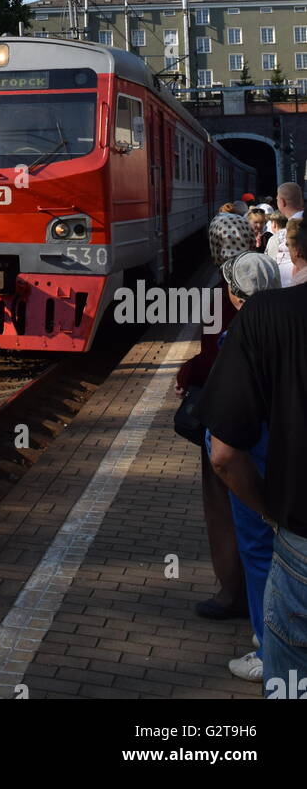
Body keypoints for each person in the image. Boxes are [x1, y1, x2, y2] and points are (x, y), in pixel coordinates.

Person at [202, 215, 307, 698]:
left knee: (290, 680)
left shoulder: (266, 319)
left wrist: (267, 507)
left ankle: (266, 650)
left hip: (299, 529)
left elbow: (225, 453)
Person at [203, 252, 281, 681]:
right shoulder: (285, 325)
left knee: (257, 550)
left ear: (235, 295)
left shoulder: (241, 335)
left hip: (250, 454)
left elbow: (226, 450)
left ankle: (269, 647)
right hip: (276, 451)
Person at [178, 212, 254, 620]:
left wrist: (186, 372)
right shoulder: (268, 277)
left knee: (222, 508)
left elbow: (213, 359)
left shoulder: (222, 293)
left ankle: (232, 593)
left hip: (224, 417)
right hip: (263, 417)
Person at [273, 182, 304, 286]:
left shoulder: (297, 227)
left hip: (296, 289)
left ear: (282, 202)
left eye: (277, 199)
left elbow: (301, 261)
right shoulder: (299, 222)